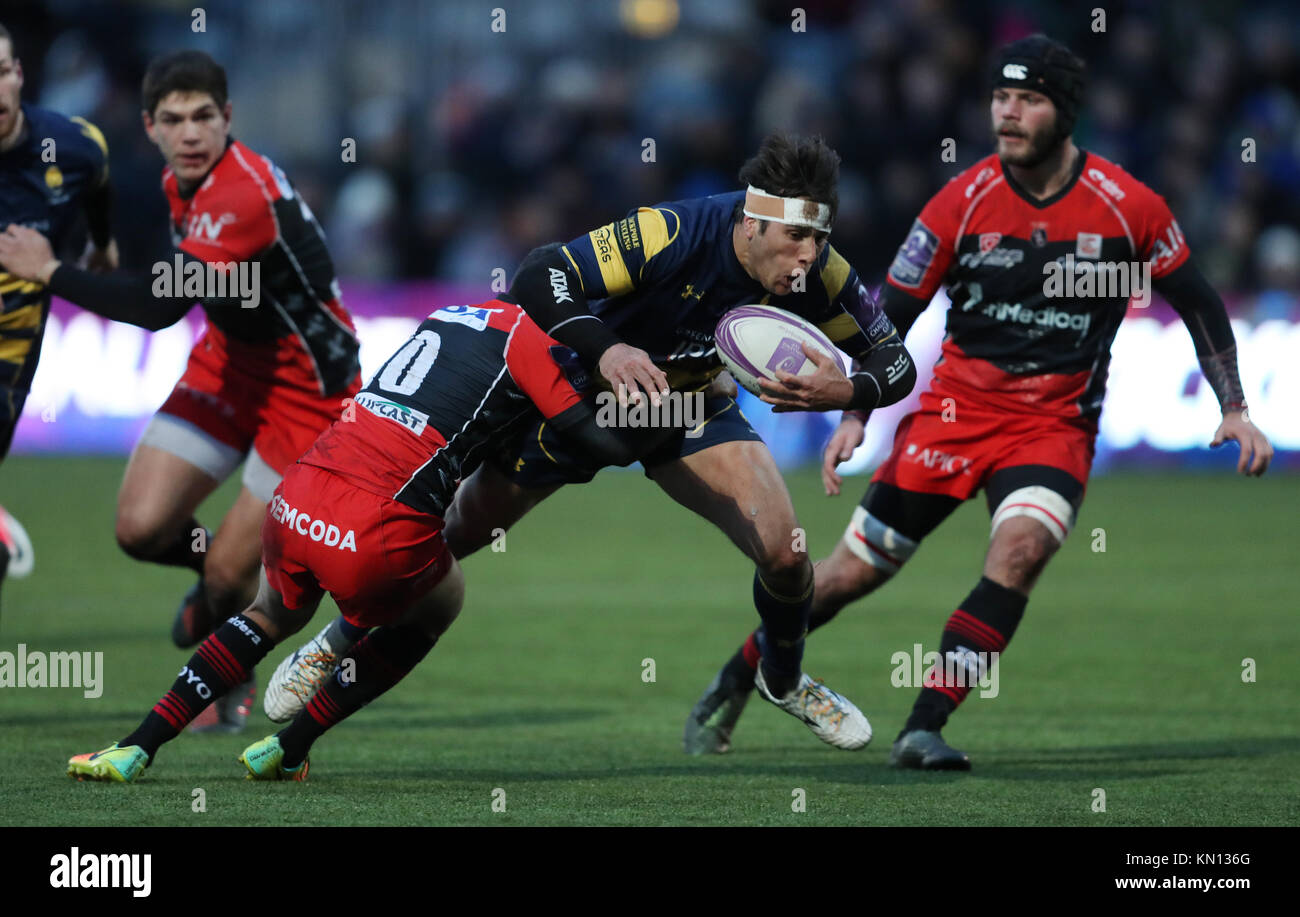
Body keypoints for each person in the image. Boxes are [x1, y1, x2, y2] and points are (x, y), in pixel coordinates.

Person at [686, 35, 1274, 767]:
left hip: (1053, 426)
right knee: (843, 575)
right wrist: (856, 412)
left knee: (1020, 551)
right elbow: (889, 315)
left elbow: (1198, 300)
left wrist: (1235, 405)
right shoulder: (961, 201)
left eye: (1027, 99)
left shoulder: (1130, 208)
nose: (1008, 112)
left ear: (1064, 111)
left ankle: (923, 725)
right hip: (953, 416)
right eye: (1001, 97)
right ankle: (741, 675)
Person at [265, 133, 916, 750]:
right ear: (753, 223)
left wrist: (849, 393)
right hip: (577, 398)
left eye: (819, 237)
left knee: (786, 553)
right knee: (456, 534)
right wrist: (608, 350)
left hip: (685, 409)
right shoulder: (673, 232)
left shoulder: (819, 274)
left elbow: (895, 362)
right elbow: (540, 273)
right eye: (797, 236)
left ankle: (782, 676)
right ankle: (337, 637)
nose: (808, 254)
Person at [68, 300, 667, 781]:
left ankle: (134, 747)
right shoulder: (531, 342)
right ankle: (290, 745)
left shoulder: (449, 314)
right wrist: (677, 410)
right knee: (441, 603)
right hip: (375, 529)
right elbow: (601, 446)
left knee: (265, 614)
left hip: (299, 493)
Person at [0, 50, 361, 729]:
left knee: (228, 577)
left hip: (311, 389)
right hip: (229, 361)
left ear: (228, 118)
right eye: (174, 119)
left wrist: (48, 269)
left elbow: (158, 304)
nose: (190, 133)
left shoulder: (241, 194)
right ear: (152, 127)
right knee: (139, 528)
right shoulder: (179, 181)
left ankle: (229, 667)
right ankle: (222, 579)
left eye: (204, 117)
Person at [0, 21, 118, 611]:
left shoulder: (71, 147)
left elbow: (98, 185)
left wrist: (101, 246)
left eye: (0, 73)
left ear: (19, 74)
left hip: (10, 362)